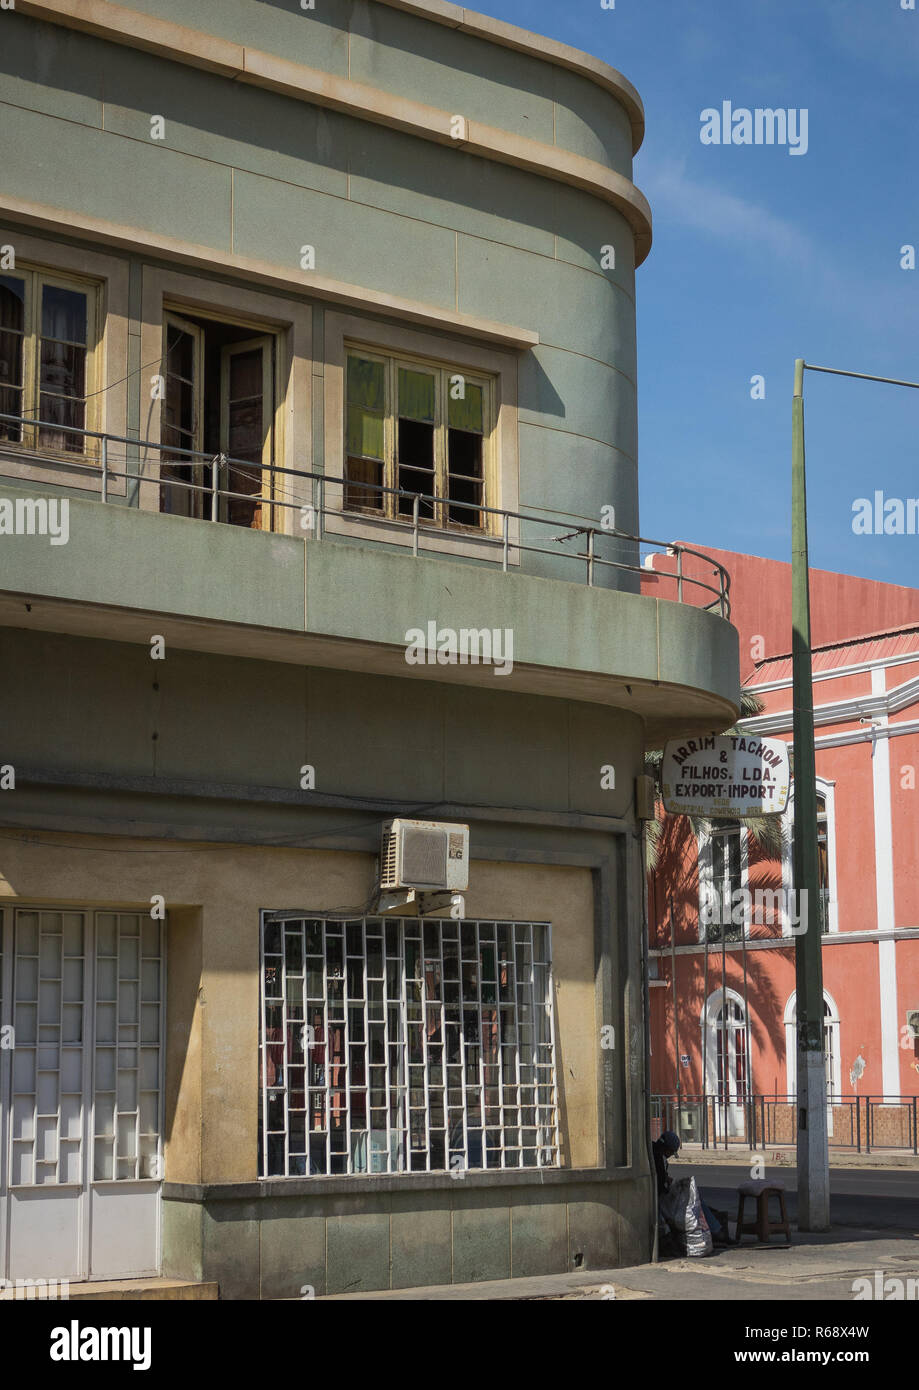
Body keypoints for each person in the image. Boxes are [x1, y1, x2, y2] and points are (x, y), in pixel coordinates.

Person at [652, 1130, 729, 1246]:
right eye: (671, 1152)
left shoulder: (653, 1150)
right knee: (695, 1200)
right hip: (659, 1199)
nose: (670, 1155)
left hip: (657, 1196)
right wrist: (668, 1184)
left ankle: (715, 1230)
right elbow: (661, 1186)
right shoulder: (659, 1157)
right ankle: (717, 1231)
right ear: (667, 1149)